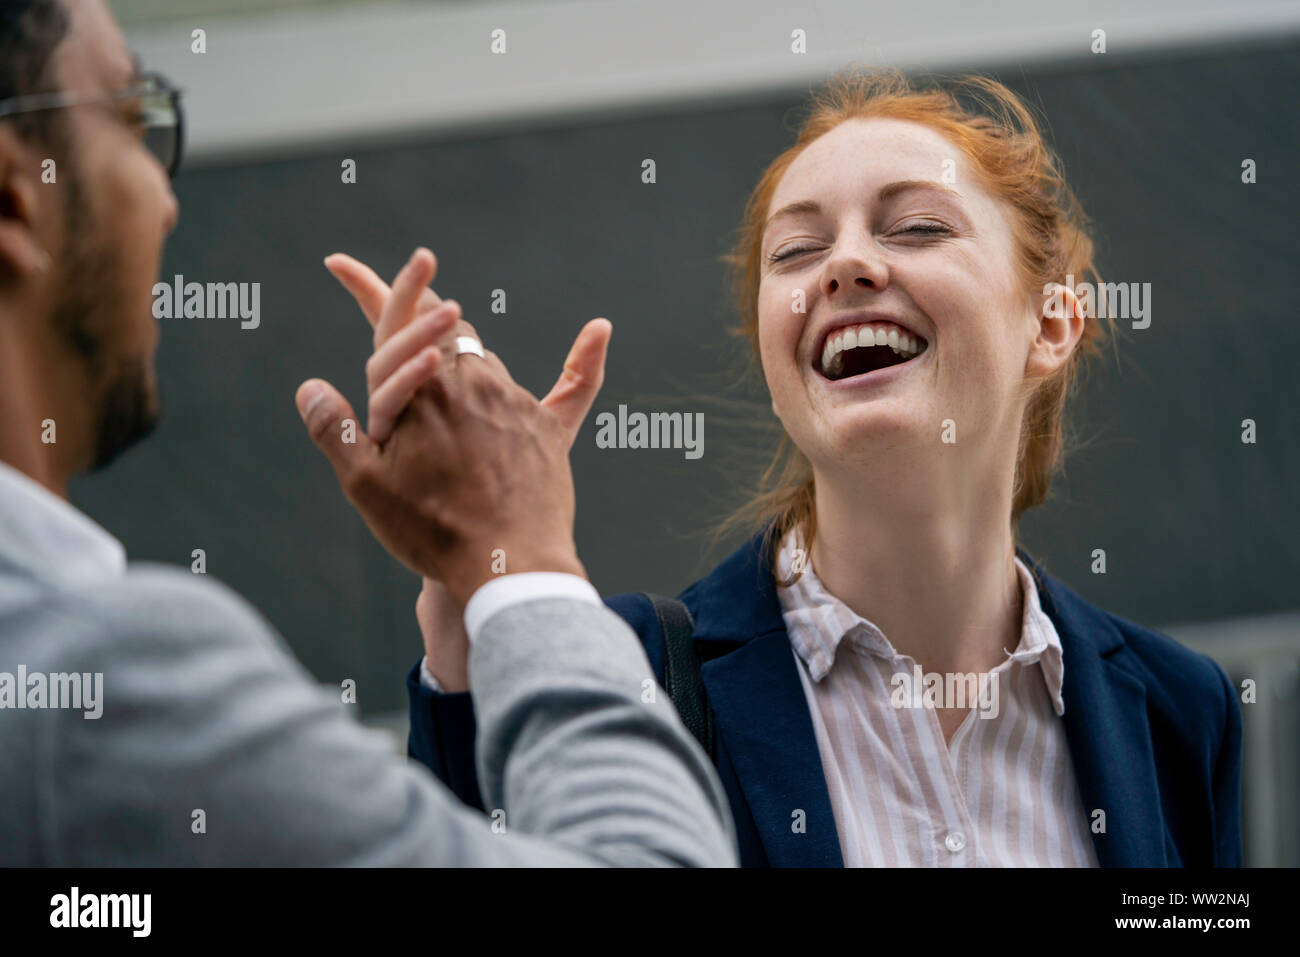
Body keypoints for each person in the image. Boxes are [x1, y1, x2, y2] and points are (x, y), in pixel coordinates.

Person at [394, 68, 1243, 867]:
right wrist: (470, 588)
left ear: (1051, 324)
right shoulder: (624, 669)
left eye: (917, 227)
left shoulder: (1180, 710)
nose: (844, 264)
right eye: (796, 251)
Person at [0, 0, 736, 867]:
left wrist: (481, 586)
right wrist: (518, 547)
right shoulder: (102, 680)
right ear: (16, 201)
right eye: (131, 117)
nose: (166, 201)